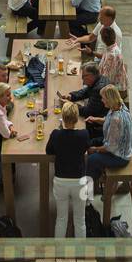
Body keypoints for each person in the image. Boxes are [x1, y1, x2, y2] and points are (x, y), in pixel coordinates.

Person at [46, 101, 90, 238]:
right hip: (80, 182)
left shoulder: (56, 135)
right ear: (77, 118)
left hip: (61, 181)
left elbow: (49, 151)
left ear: (63, 118)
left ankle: (59, 252)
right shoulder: (84, 134)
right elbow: (85, 149)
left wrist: (59, 131)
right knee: (80, 220)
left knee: (61, 219)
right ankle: (80, 252)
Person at [84, 84, 132, 188]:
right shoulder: (119, 105)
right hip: (117, 145)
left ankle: (88, 189)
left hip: (120, 156)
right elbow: (107, 119)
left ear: (110, 99)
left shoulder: (116, 120)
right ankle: (95, 177)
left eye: (103, 98)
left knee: (92, 159)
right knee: (90, 142)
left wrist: (95, 149)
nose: (102, 100)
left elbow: (110, 147)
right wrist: (95, 119)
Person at [59, 61, 107, 131]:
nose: (82, 79)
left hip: (97, 124)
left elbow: (87, 112)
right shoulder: (98, 78)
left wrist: (70, 105)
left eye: (84, 76)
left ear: (91, 75)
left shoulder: (98, 89)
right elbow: (86, 91)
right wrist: (71, 96)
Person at [96, 25, 128, 93]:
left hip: (115, 88)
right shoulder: (113, 46)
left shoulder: (111, 56)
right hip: (112, 80)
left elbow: (107, 80)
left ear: (102, 39)